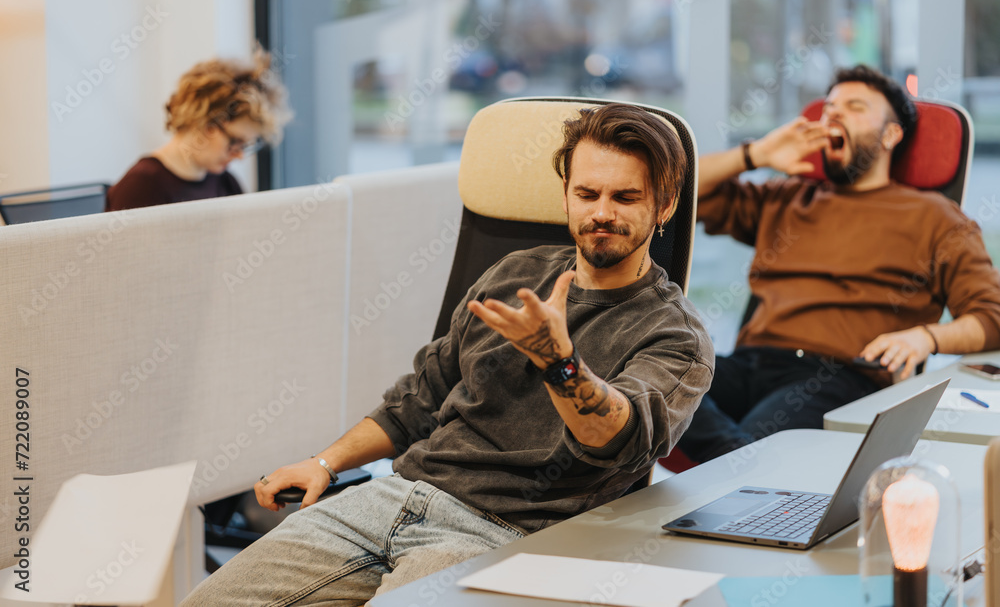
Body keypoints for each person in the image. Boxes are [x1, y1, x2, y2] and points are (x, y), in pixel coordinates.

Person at [181, 104, 713, 605]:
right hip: (397, 495)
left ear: (664, 206)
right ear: (567, 195)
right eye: (587, 193)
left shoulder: (675, 334)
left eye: (625, 198)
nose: (601, 212)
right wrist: (325, 462)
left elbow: (620, 440)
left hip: (503, 533)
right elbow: (420, 397)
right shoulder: (515, 273)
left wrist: (558, 362)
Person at [677, 64, 1000, 463]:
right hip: (748, 364)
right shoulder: (788, 196)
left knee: (752, 449)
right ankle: (738, 462)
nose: (833, 114)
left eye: (855, 106)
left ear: (891, 134)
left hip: (834, 376)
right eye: (829, 107)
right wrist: (756, 154)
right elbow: (679, 193)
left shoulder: (937, 217)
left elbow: (991, 318)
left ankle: (740, 463)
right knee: (654, 381)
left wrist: (926, 338)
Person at [105, 48, 291, 211]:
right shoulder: (141, 188)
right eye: (235, 142)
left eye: (246, 145)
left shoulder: (225, 183)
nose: (239, 156)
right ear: (204, 123)